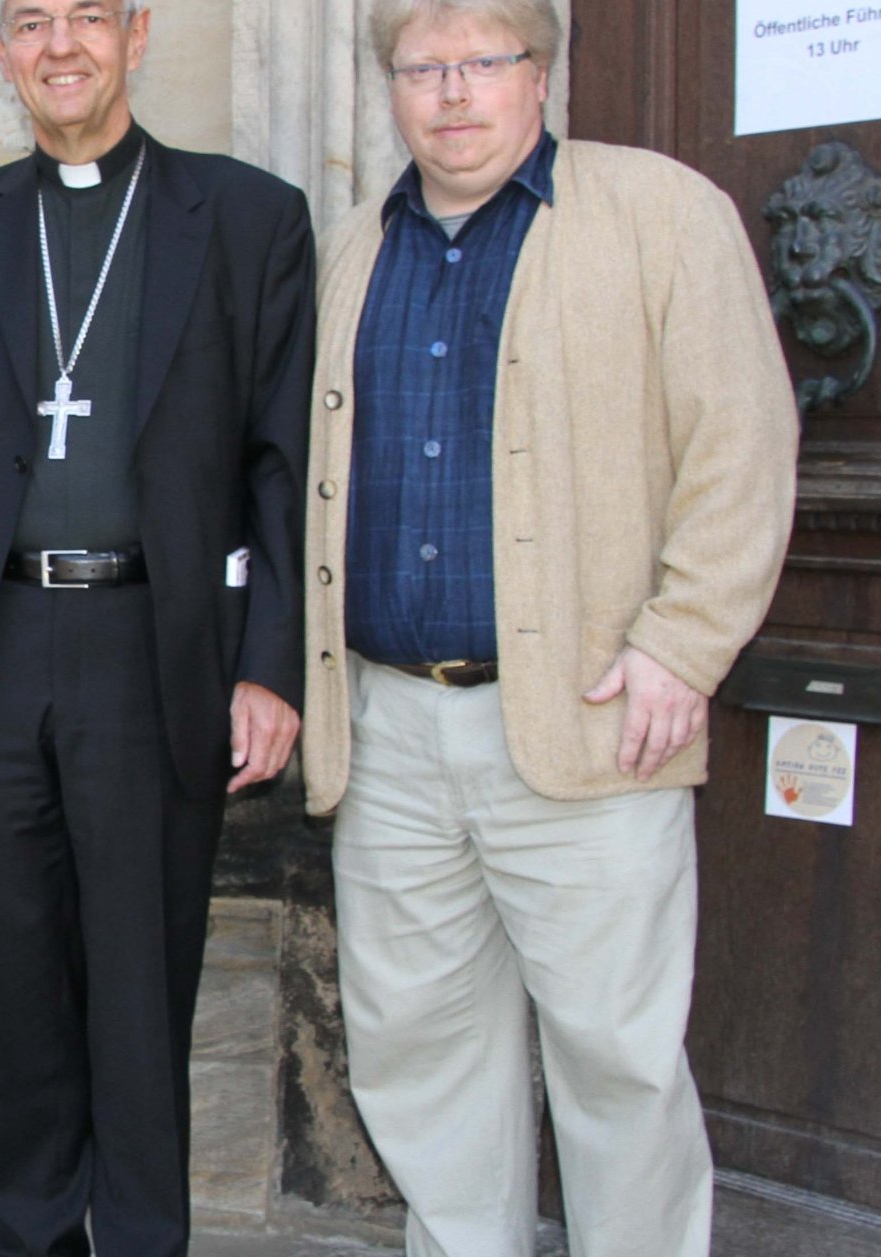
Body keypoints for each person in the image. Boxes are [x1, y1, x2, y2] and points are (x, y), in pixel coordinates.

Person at [302, 1, 798, 1251]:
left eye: (485, 61)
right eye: (424, 66)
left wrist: (684, 643)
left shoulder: (663, 212)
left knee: (615, 1062)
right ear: (390, 85)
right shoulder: (355, 243)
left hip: (592, 720)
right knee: (419, 1052)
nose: (453, 92)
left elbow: (744, 442)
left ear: (541, 73)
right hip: (391, 729)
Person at [0, 2, 314, 1251]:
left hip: (153, 651)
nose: (60, 46)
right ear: (0, 48)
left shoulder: (247, 217)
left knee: (137, 992)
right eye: (28, 22)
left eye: (87, 18)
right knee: (13, 993)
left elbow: (280, 464)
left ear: (137, 34)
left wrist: (267, 665)